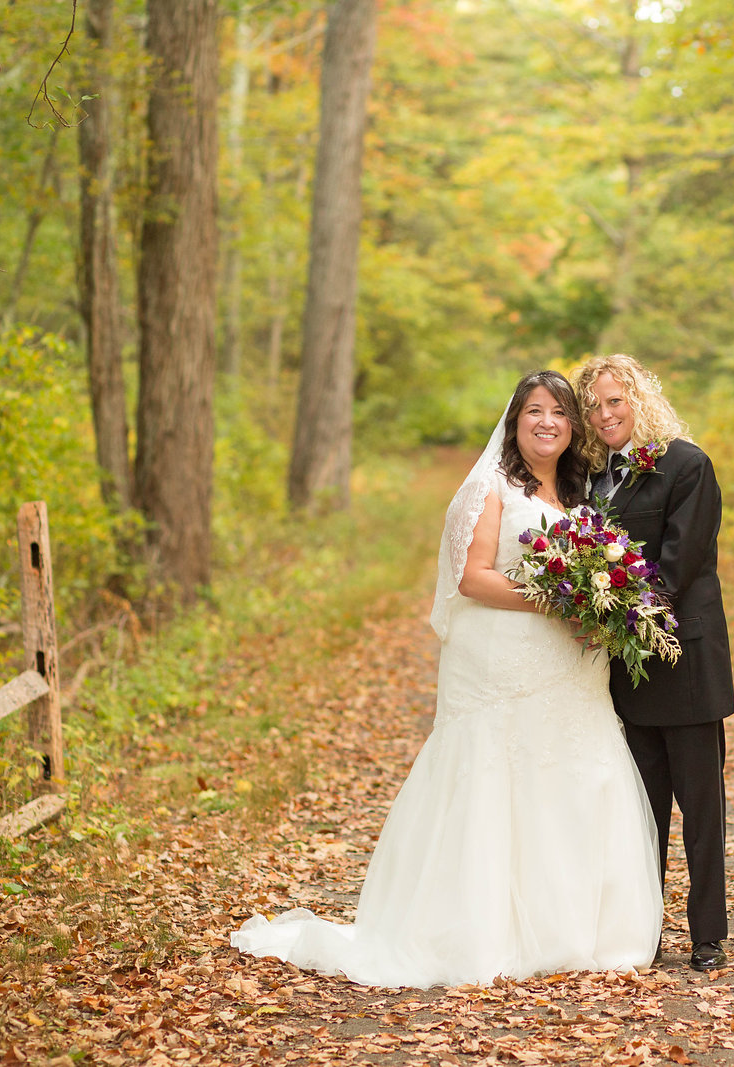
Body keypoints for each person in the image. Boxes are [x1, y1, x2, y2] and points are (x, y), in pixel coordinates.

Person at [231, 370, 662, 987]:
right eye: (534, 411)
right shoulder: (490, 488)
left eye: (560, 413)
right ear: (515, 421)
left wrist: (599, 611)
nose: (548, 422)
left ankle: (572, 930)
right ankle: (484, 929)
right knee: (499, 781)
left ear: (573, 426)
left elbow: (588, 579)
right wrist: (557, 601)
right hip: (501, 661)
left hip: (570, 673)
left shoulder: (577, 496)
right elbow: (473, 577)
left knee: (567, 779)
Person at [573, 354, 734, 973]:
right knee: (640, 812)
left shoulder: (687, 465)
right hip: (625, 669)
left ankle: (708, 935)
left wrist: (617, 614)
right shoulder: (592, 477)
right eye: (595, 405)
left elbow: (680, 559)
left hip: (684, 657)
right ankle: (643, 931)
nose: (606, 414)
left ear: (640, 399)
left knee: (701, 809)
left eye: (616, 400)